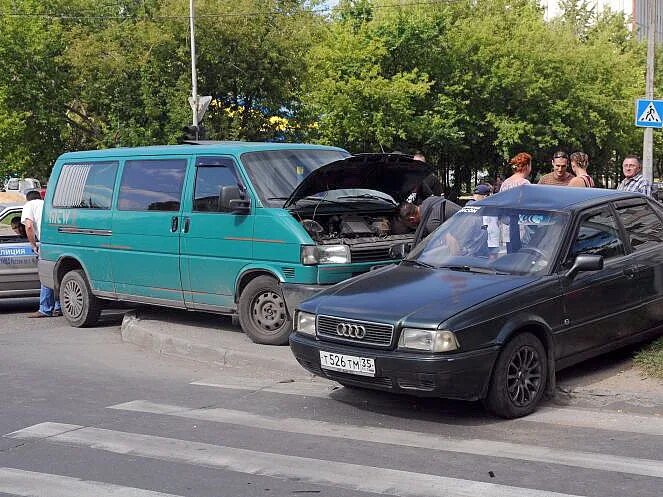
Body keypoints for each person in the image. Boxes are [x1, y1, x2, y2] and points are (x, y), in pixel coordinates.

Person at [21, 190, 61, 318]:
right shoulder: (47, 204)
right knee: (56, 275)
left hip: (46, 242)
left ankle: (45, 308)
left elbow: (28, 226)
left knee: (46, 275)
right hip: (58, 241)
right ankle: (58, 307)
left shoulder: (29, 205)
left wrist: (33, 245)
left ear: (28, 199)